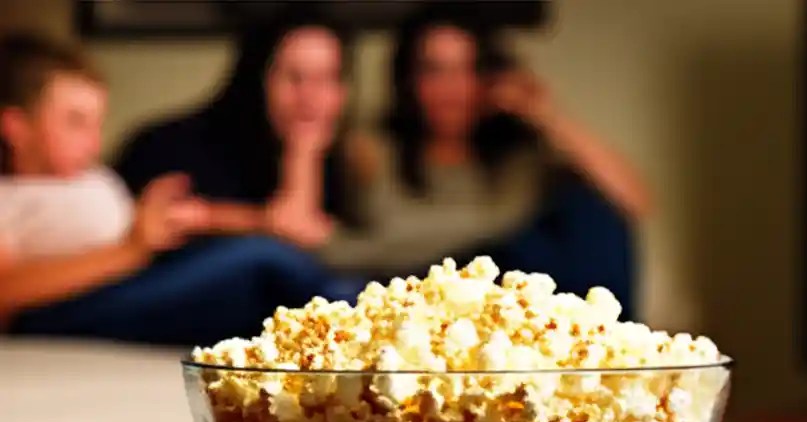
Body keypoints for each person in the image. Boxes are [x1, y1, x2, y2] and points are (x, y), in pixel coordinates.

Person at [0, 34, 358, 347]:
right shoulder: (9, 195)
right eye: (75, 122)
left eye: (97, 123)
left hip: (141, 272)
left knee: (261, 283)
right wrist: (130, 249)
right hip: (74, 306)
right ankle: (366, 318)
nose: (94, 142)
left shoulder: (79, 178)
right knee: (263, 259)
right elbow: (6, 291)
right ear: (15, 127)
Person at [322, 6, 648, 317]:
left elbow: (633, 201)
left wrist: (545, 114)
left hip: (516, 299)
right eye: (435, 71)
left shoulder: (516, 156)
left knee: (589, 213)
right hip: (425, 294)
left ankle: (609, 354)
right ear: (408, 80)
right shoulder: (374, 148)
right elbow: (390, 240)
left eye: (467, 70)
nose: (452, 89)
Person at [114, 4, 352, 248]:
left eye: (327, 79)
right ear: (257, 82)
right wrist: (261, 219)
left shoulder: (348, 163)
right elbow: (296, 229)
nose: (310, 98)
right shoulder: (169, 147)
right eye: (294, 78)